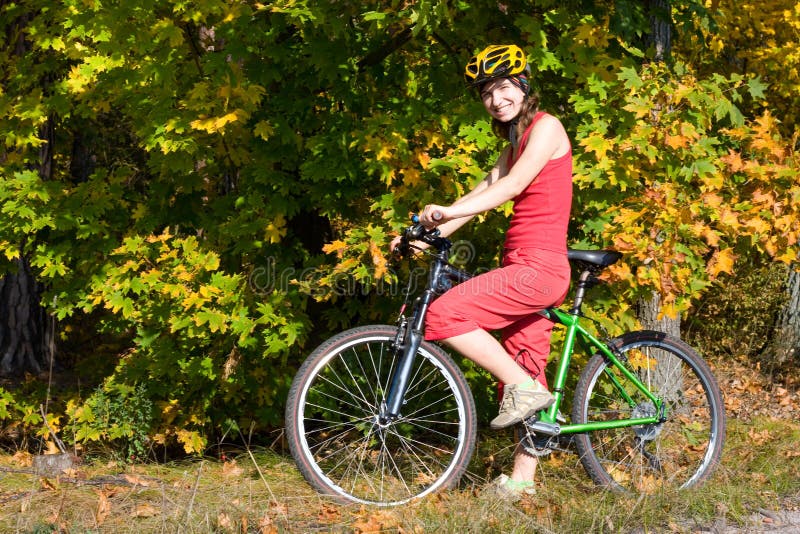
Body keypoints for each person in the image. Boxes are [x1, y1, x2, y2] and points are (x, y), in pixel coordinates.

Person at [391, 44, 573, 498]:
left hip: (541, 267)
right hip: (521, 265)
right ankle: (522, 482)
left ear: (524, 86)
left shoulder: (547, 127)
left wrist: (445, 211)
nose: (496, 100)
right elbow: (481, 194)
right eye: (487, 93)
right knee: (527, 369)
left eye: (505, 87)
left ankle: (524, 389)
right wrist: (422, 232)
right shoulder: (513, 143)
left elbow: (513, 187)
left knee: (443, 315)